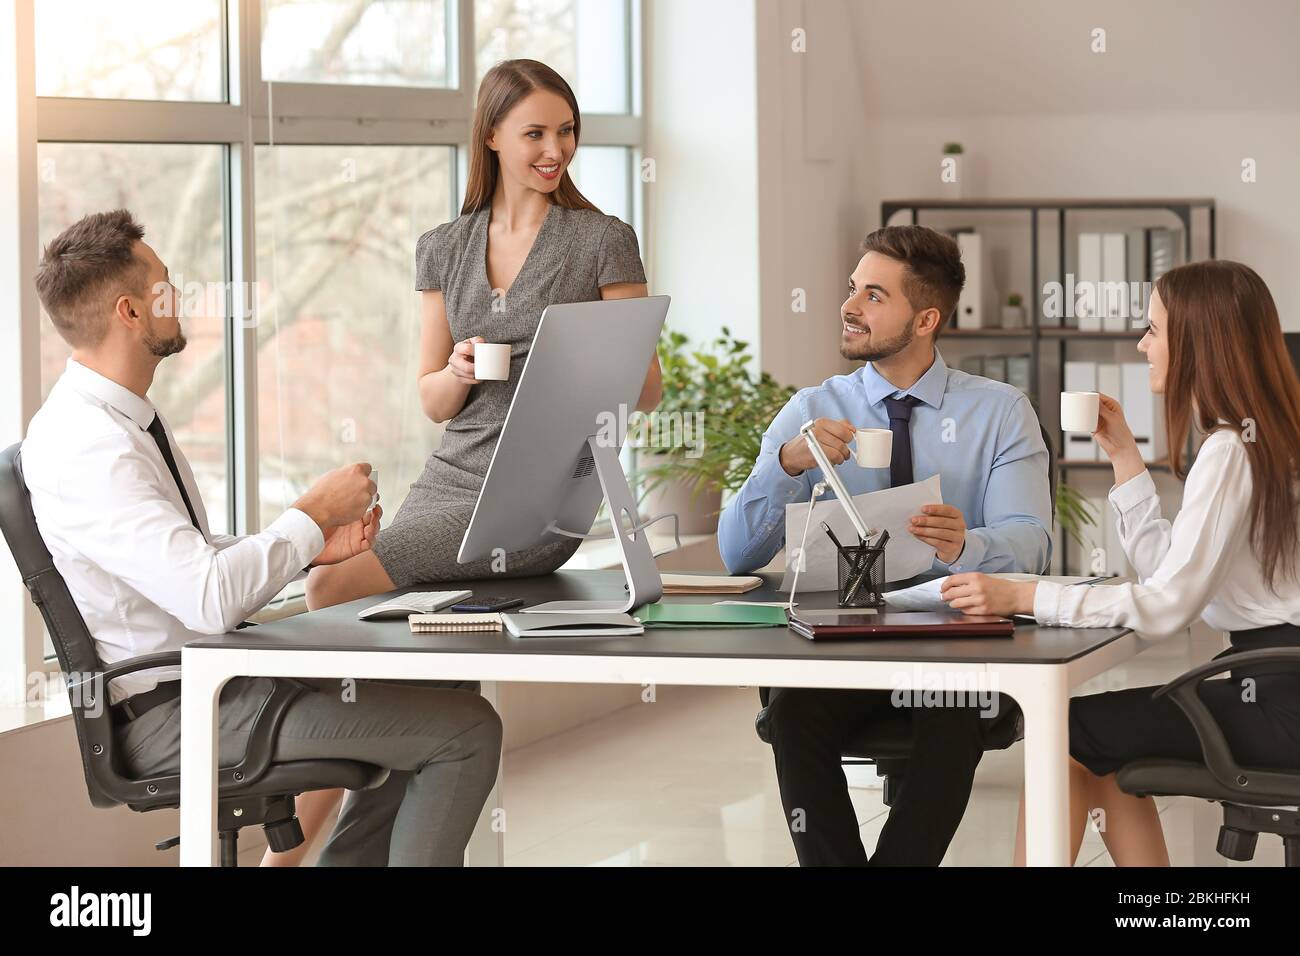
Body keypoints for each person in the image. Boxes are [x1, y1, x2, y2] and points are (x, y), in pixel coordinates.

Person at [24, 209, 502, 866]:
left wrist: (314, 547)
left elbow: (181, 560)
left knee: (448, 687)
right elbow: (210, 598)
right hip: (178, 712)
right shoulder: (92, 449)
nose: (182, 296)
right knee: (466, 733)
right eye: (166, 284)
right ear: (130, 313)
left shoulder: (123, 418)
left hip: (217, 680)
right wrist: (309, 512)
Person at [271, 59, 661, 864]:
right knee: (410, 670)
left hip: (537, 492)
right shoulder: (442, 247)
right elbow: (431, 400)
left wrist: (568, 359)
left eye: (567, 131)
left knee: (330, 585)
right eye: (536, 133)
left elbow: (646, 389)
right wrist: (452, 372)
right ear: (491, 136)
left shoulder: (602, 240)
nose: (556, 149)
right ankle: (342, 848)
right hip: (448, 478)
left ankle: (281, 854)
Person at [941, 259, 1300, 866]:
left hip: (1277, 698)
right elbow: (1176, 578)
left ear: (1198, 340)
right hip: (1271, 682)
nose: (1143, 345)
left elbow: (1165, 607)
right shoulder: (1260, 436)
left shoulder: (1229, 449)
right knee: (1104, 745)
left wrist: (1023, 597)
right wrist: (1127, 460)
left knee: (1067, 734)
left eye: (1154, 330)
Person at [718, 224, 1053, 865]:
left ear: (926, 317)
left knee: (951, 711)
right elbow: (737, 554)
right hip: (840, 647)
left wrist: (968, 545)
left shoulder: (1002, 412)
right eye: (852, 289)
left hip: (950, 647)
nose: (849, 307)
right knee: (792, 716)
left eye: (874, 295)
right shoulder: (812, 410)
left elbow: (1031, 545)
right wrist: (785, 465)